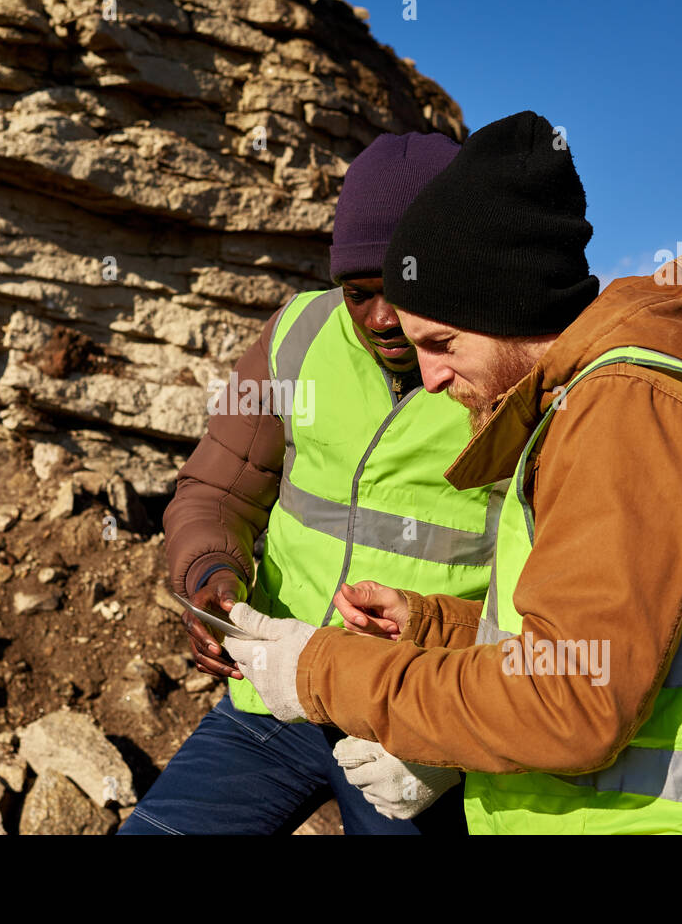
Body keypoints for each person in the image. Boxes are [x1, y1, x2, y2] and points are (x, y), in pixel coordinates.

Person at [224, 110, 682, 834]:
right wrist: (435, 626)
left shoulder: (629, 412)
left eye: (441, 342)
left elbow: (574, 698)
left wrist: (321, 671)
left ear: (508, 303)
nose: (432, 378)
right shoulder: (588, 408)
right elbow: (606, 643)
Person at [118, 132, 504, 835]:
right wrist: (211, 575)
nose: (383, 319)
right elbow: (216, 493)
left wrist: (459, 738)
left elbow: (546, 602)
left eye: (403, 290)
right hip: (274, 692)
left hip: (409, 725)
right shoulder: (295, 335)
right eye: (359, 293)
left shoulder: (503, 372)